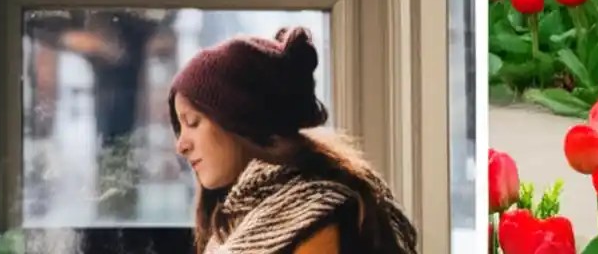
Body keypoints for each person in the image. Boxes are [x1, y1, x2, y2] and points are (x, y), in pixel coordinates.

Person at [170, 28, 417, 254]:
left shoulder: (315, 216)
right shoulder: (236, 217)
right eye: (179, 128)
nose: (181, 145)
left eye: (192, 122)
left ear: (240, 122)